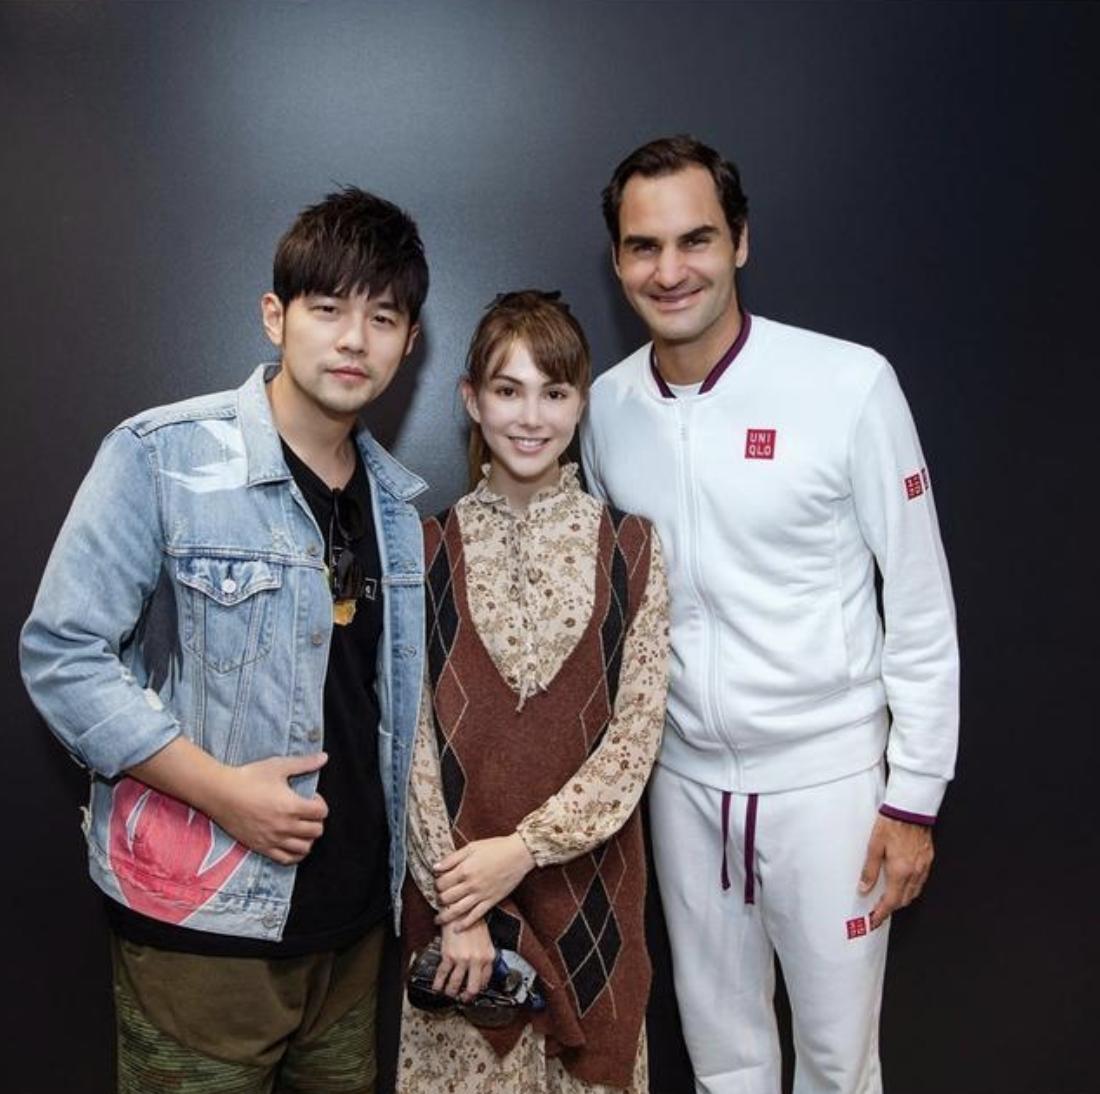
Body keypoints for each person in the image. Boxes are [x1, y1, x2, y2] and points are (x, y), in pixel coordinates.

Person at [20, 186, 430, 1093]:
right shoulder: (161, 455)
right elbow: (62, 655)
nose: (354, 338)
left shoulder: (401, 513)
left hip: (356, 931)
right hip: (203, 928)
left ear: (409, 341)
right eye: (328, 309)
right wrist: (222, 794)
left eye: (383, 315)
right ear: (275, 317)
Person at [582, 136, 959, 1094]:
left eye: (696, 239)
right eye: (643, 247)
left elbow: (918, 600)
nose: (670, 271)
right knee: (725, 1063)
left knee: (838, 1063)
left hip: (829, 788)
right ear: (618, 259)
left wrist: (912, 796)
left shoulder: (848, 384)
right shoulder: (604, 409)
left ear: (740, 242)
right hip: (684, 788)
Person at [397, 290, 669, 1093]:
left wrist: (522, 851)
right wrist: (462, 907)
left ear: (582, 402)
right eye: (508, 391)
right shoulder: (423, 549)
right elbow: (409, 743)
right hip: (460, 932)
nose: (531, 416)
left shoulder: (633, 548)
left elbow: (634, 739)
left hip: (591, 912)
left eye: (554, 392)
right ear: (471, 400)